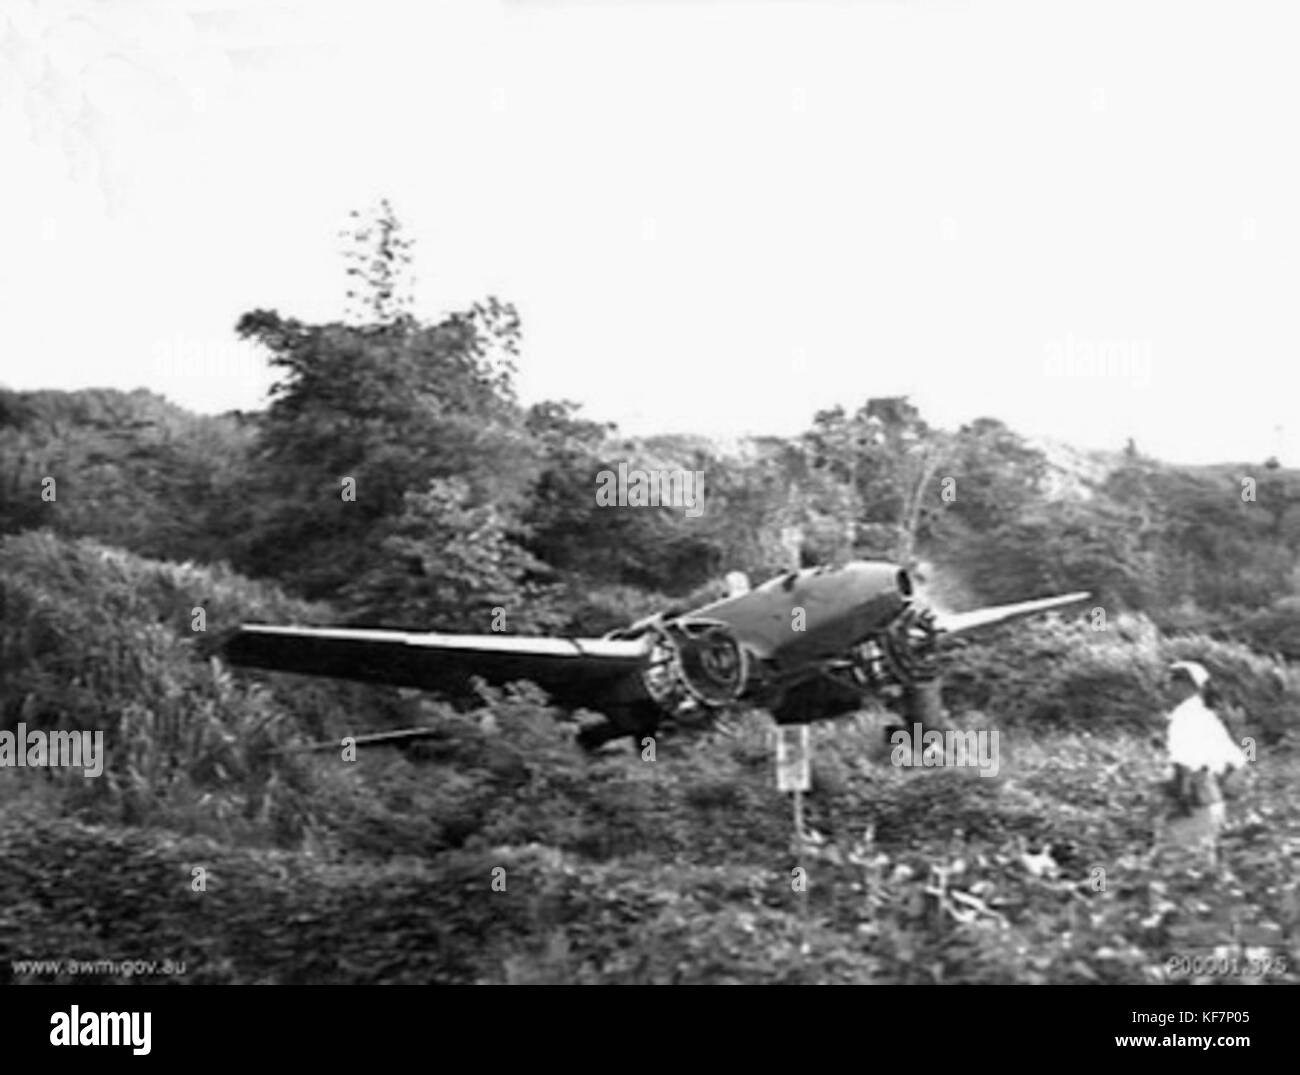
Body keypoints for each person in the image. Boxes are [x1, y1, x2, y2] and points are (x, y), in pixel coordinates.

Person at [1163, 660, 1247, 826]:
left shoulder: (1187, 714)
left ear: (1185, 684)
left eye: (1172, 680)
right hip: (1210, 798)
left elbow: (1184, 762)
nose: (1168, 685)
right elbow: (1243, 756)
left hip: (1195, 801)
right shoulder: (1204, 714)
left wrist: (1182, 796)